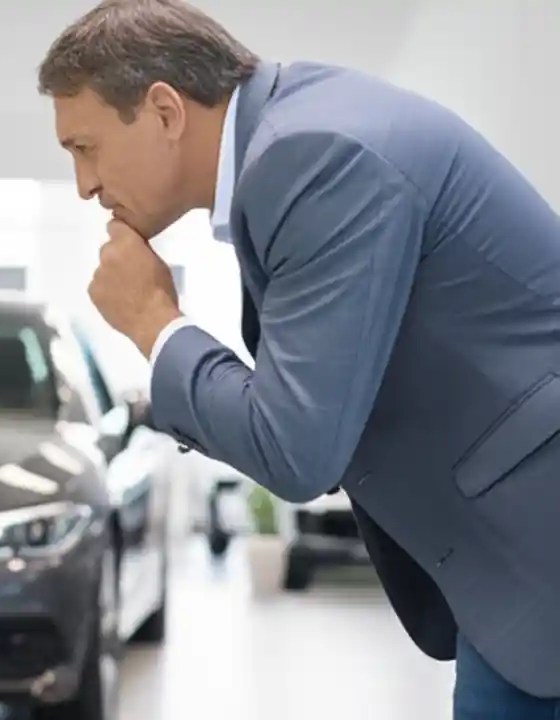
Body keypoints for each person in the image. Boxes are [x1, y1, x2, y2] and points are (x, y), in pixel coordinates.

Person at [38, 1, 560, 717]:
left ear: (164, 111)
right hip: (514, 568)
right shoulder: (299, 133)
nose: (84, 186)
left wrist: (156, 325)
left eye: (85, 147)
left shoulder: (313, 157)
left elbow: (294, 448)